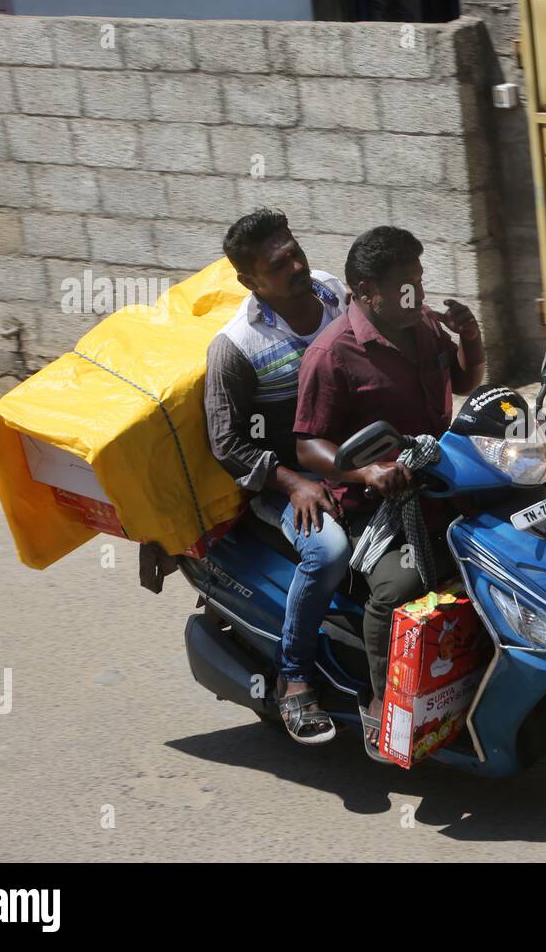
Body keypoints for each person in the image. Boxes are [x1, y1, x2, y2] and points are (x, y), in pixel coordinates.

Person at [293, 226, 486, 757]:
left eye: (420, 282)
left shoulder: (423, 327)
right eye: (404, 286)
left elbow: (467, 383)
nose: (417, 296)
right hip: (379, 508)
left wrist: (470, 337)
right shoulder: (333, 355)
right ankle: (383, 706)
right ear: (363, 289)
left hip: (444, 483)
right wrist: (367, 474)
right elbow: (309, 446)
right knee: (399, 589)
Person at [204, 208, 351, 746]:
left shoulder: (335, 294)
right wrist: (293, 483)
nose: (296, 264)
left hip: (351, 458)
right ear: (250, 280)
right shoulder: (236, 347)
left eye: (294, 250)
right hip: (286, 486)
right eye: (278, 262)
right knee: (329, 550)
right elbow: (226, 442)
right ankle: (295, 678)